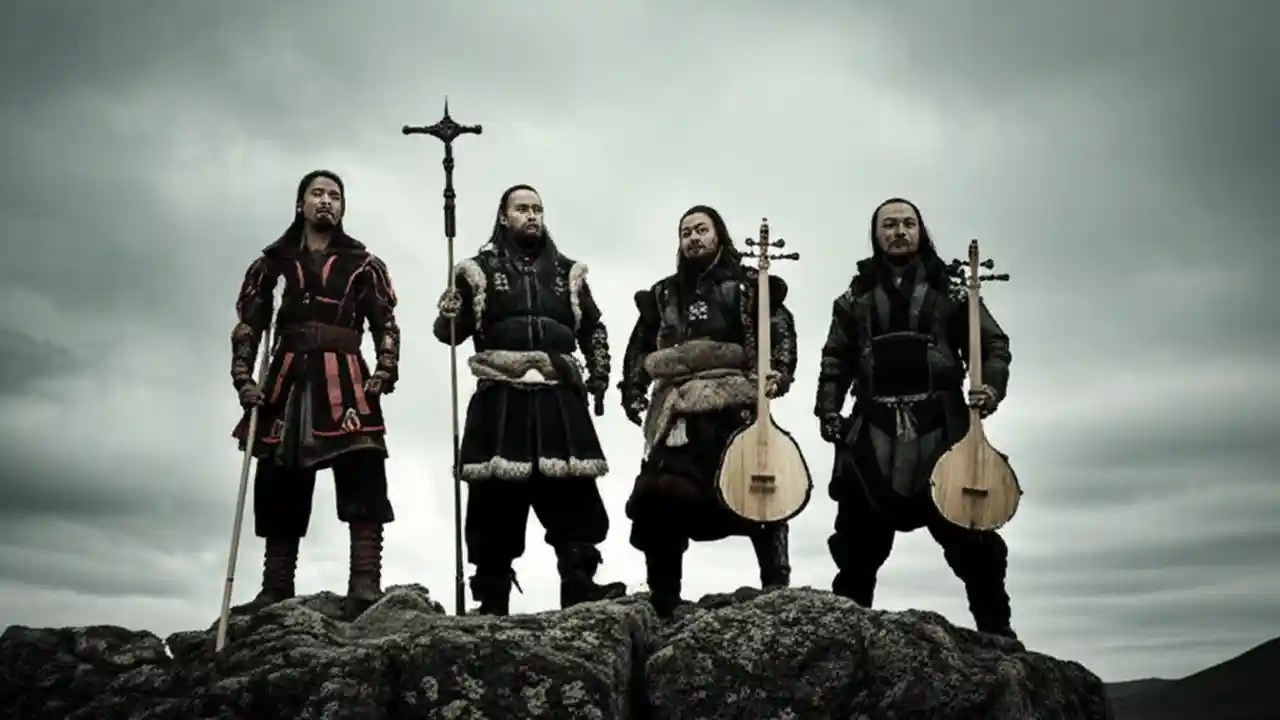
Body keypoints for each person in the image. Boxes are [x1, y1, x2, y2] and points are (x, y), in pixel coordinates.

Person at [814, 196, 1017, 638]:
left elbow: (993, 345)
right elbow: (835, 360)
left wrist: (991, 387)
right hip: (872, 431)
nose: (899, 231)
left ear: (921, 231)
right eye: (889, 224)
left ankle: (998, 634)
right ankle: (846, 642)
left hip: (941, 430)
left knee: (972, 536)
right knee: (855, 545)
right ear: (877, 233)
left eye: (908, 223)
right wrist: (828, 411)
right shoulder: (853, 299)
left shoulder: (954, 292)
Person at [433, 183, 626, 615]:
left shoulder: (568, 272)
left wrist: (599, 372)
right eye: (522, 208)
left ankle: (579, 586)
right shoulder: (475, 270)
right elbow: (450, 334)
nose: (532, 215)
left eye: (537, 208)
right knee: (495, 500)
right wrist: (449, 309)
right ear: (504, 217)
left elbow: (593, 327)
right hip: (500, 396)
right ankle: (492, 599)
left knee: (574, 493)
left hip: (559, 393)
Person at [230, 169, 401, 619]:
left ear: (343, 207)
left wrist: (384, 369)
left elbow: (385, 323)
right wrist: (245, 378)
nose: (326, 201)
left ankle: (365, 583)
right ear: (301, 204)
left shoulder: (363, 264)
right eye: (317, 194)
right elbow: (250, 323)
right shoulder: (273, 263)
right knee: (280, 474)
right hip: (287, 377)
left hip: (345, 376)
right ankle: (276, 586)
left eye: (335, 196)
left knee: (363, 467)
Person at [618, 205, 798, 618]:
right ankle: (664, 598)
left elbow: (779, 331)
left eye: (702, 230)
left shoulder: (751, 286)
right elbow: (640, 345)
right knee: (658, 498)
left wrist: (780, 375)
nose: (694, 238)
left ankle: (776, 588)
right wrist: (633, 390)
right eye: (686, 232)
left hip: (735, 412)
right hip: (678, 414)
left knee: (759, 492)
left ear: (719, 235)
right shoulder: (663, 294)